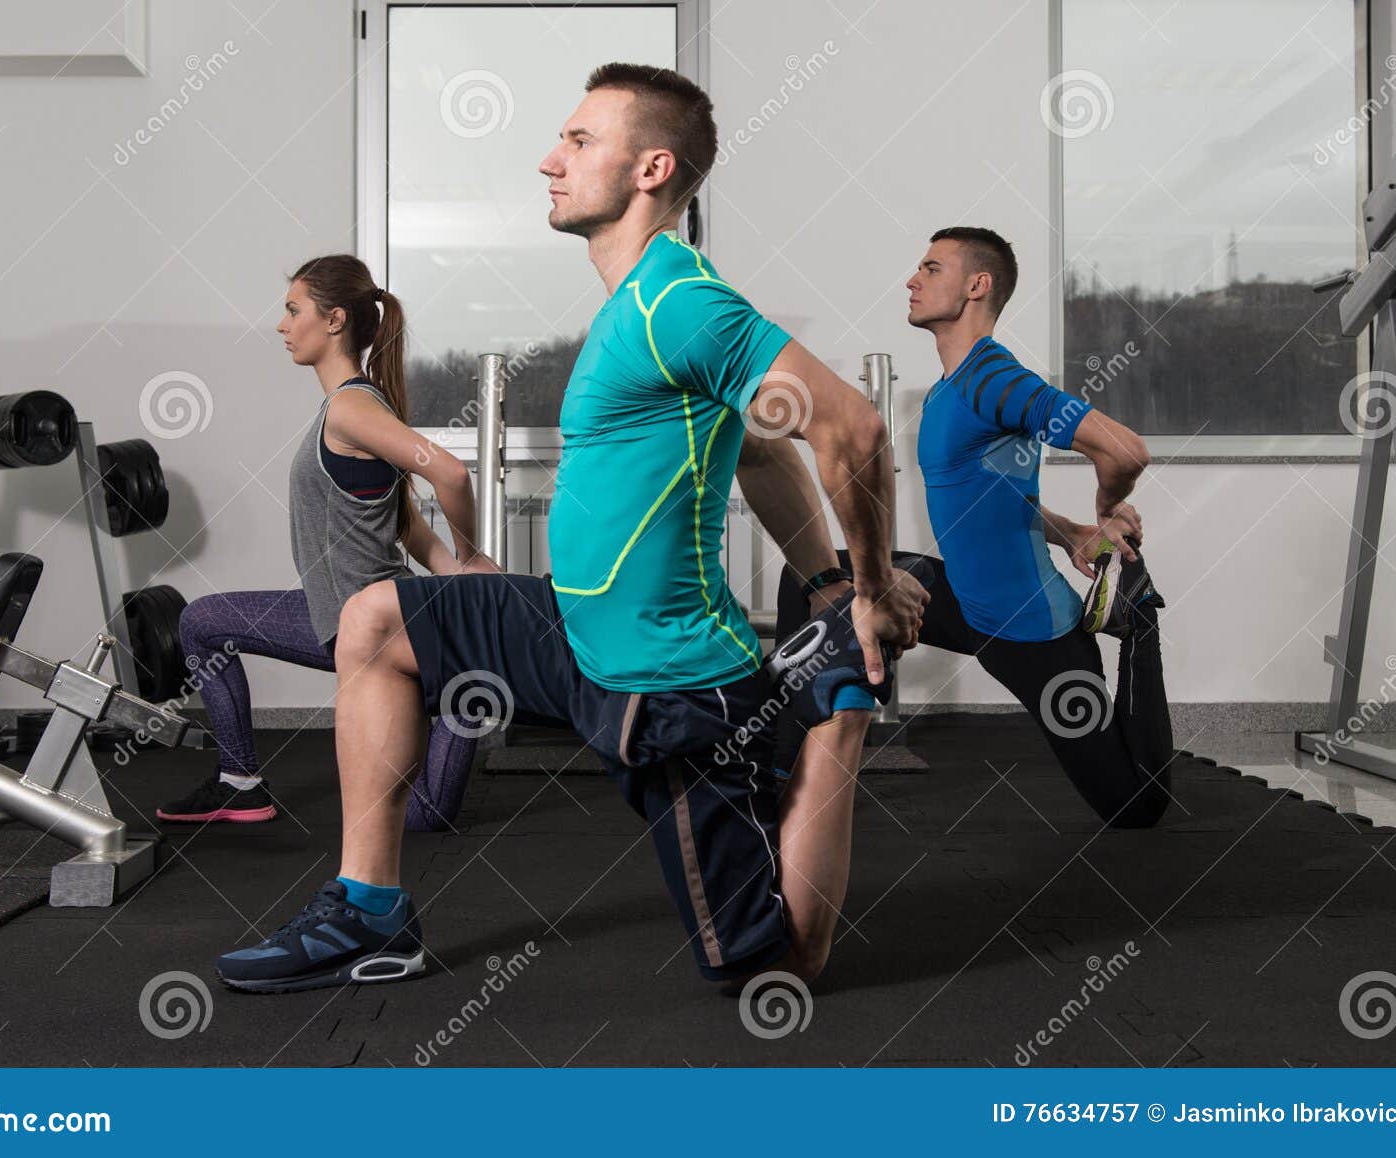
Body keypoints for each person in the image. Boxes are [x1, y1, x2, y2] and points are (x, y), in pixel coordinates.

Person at [214, 63, 928, 994]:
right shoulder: (634, 302)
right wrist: (828, 576)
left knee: (779, 962)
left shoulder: (681, 303)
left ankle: (835, 700)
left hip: (662, 685)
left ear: (651, 170)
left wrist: (863, 596)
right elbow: (758, 448)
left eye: (580, 141)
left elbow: (850, 426)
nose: (551, 159)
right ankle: (368, 912)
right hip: (575, 627)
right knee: (375, 622)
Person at [777, 226, 1173, 830]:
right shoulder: (950, 388)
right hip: (961, 601)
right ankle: (785, 764)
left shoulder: (995, 379)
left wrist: (1107, 505)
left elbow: (1126, 450)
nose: (913, 279)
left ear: (977, 286)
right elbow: (993, 493)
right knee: (812, 572)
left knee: (1134, 806)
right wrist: (1068, 531)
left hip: (1031, 635)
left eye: (932, 269)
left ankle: (1139, 621)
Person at [156, 254, 498, 825]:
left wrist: (472, 559)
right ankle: (240, 784)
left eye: (294, 310)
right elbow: (402, 517)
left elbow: (452, 473)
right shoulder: (356, 406)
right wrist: (452, 573)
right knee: (203, 622)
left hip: (367, 622)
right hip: (349, 617)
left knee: (422, 817)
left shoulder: (350, 408)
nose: (282, 325)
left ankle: (454, 681)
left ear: (334, 320)